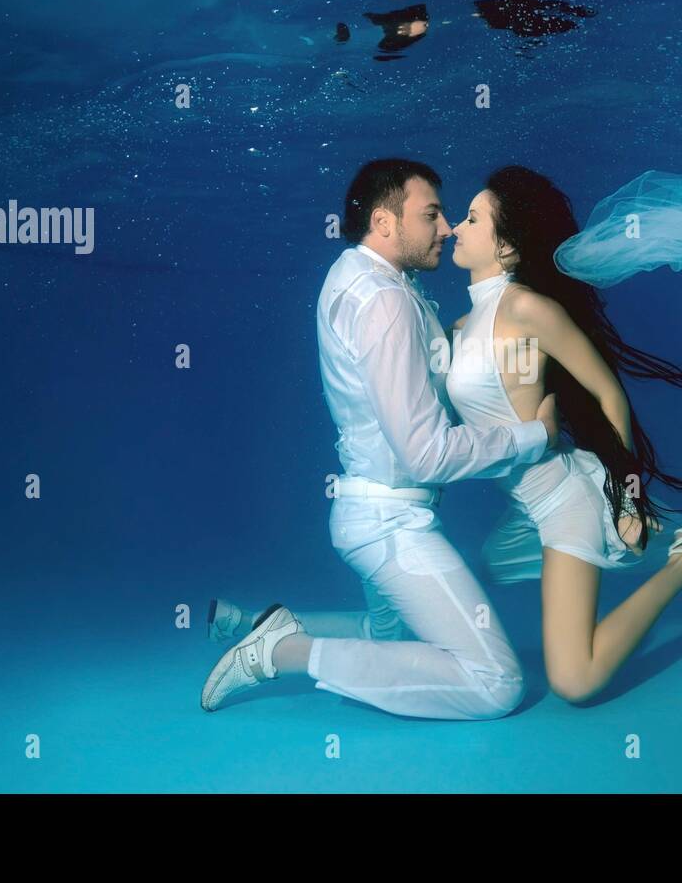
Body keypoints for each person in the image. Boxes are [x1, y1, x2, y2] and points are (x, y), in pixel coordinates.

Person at [200, 159, 560, 721]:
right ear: (385, 222)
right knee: (496, 684)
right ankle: (280, 651)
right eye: (432, 214)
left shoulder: (360, 276)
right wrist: (532, 436)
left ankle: (245, 624)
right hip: (391, 527)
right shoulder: (386, 300)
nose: (446, 228)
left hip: (367, 508)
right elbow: (426, 453)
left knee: (379, 633)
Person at [441, 165, 682, 704]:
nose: (456, 226)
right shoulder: (462, 326)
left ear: (507, 249)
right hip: (523, 503)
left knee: (576, 682)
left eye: (472, 218)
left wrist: (628, 498)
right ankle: (672, 539)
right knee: (492, 568)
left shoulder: (528, 309)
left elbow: (608, 394)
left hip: (561, 502)